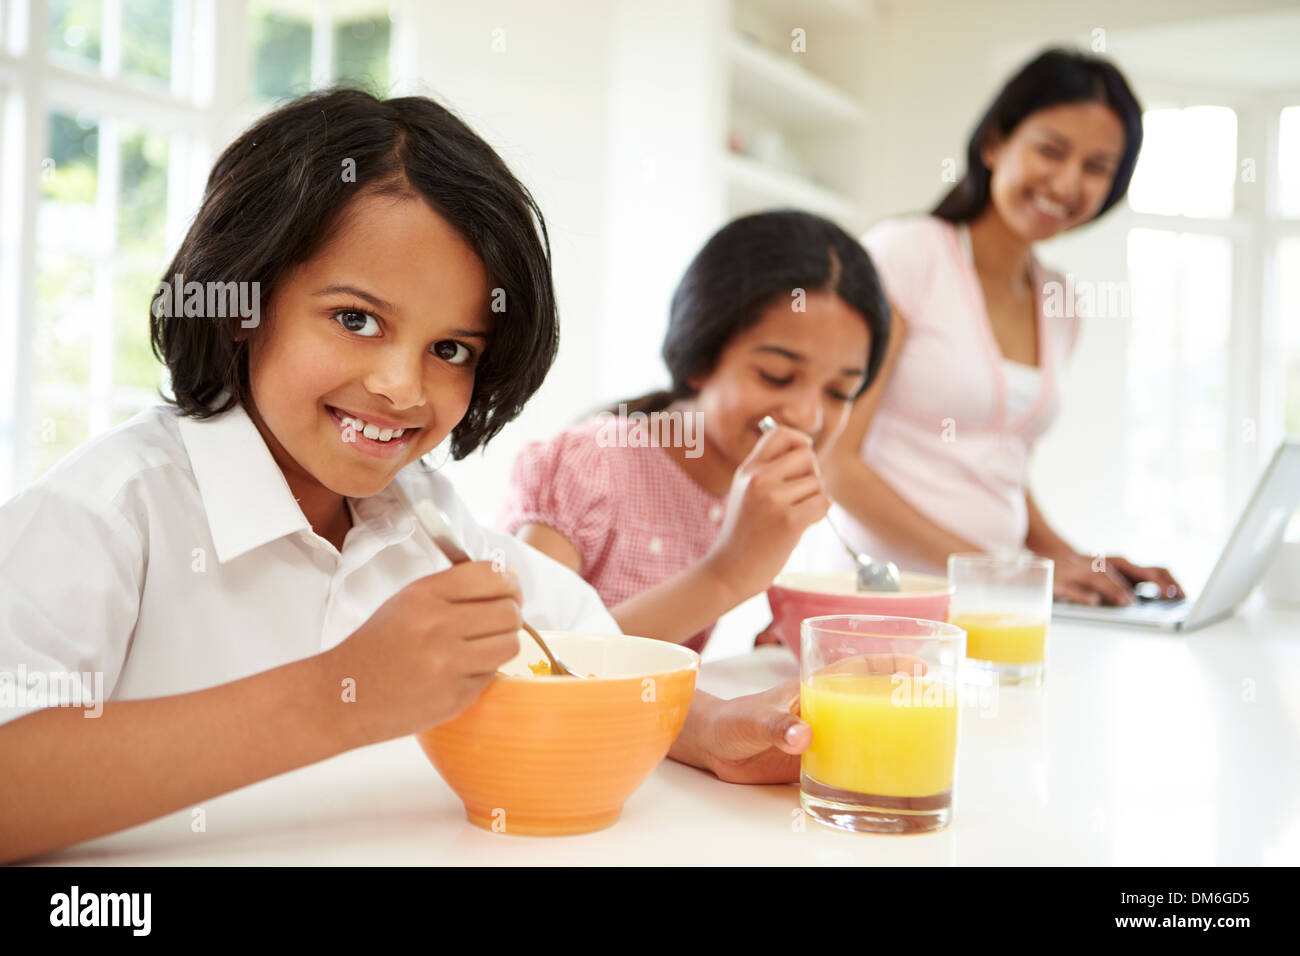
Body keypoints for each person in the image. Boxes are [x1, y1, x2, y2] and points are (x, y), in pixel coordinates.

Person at [0, 90, 817, 863]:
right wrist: (341, 693)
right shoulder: (111, 513)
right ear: (242, 303)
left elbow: (590, 662)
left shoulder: (426, 523)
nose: (401, 385)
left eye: (451, 349)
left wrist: (711, 733)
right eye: (356, 320)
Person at [822, 48, 1183, 606]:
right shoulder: (908, 255)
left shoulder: (1060, 301)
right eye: (1051, 150)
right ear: (995, 143)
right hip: (883, 599)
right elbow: (835, 462)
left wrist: (1073, 562)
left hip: (992, 607)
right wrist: (994, 572)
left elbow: (999, 472)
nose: (1067, 183)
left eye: (1096, 168)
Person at [499, 211, 891, 649]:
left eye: (840, 392)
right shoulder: (589, 466)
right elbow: (526, 656)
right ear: (701, 357)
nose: (808, 417)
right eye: (776, 375)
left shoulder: (744, 494)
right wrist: (726, 576)